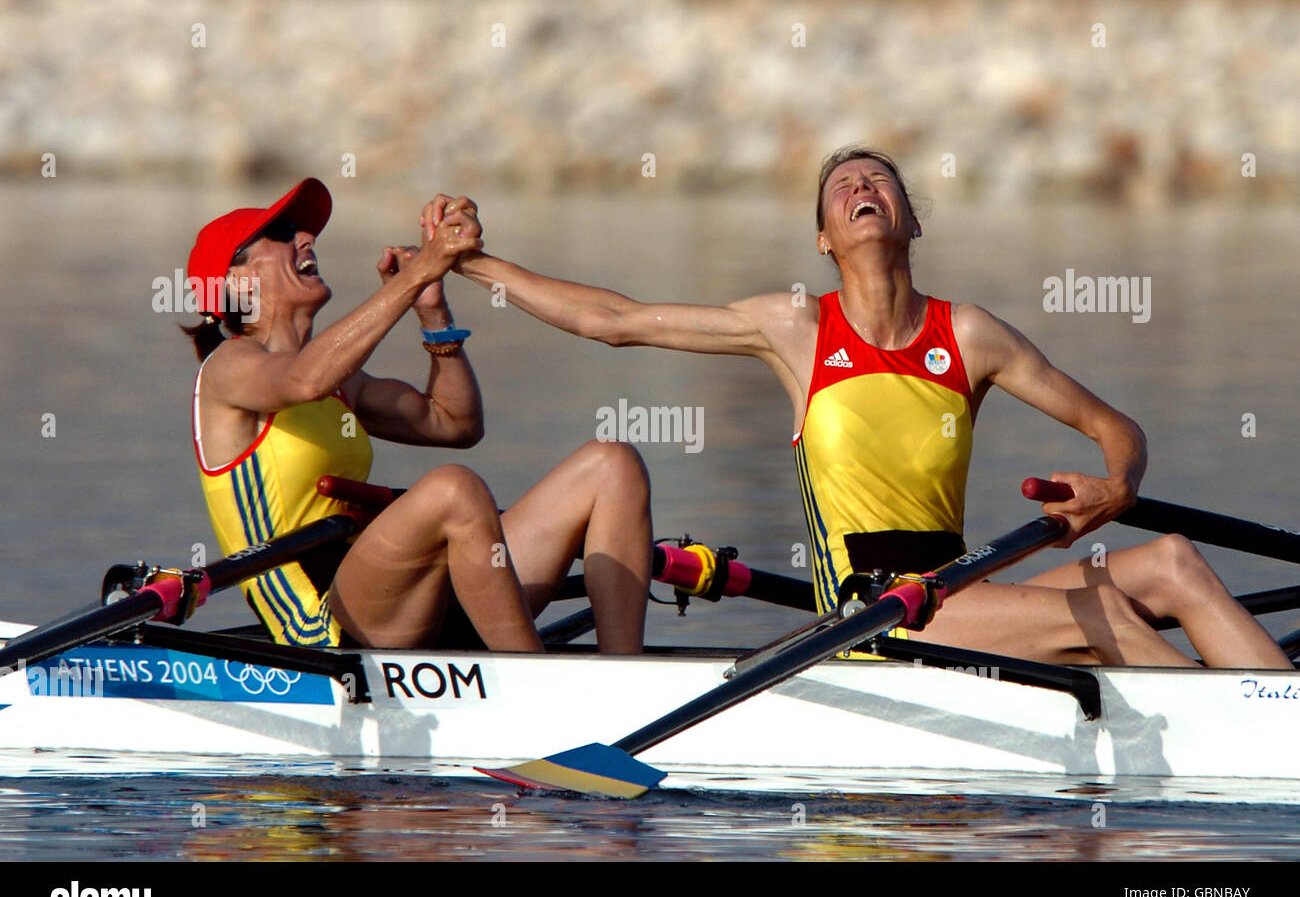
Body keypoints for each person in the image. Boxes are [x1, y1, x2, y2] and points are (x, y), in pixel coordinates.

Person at [449, 147, 1292, 669]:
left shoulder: (969, 334)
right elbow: (617, 323)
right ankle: (1236, 743)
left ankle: (1271, 718)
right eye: (842, 185)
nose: (862, 185)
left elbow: (1119, 430)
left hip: (957, 591)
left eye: (880, 180)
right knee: (1109, 611)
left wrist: (1119, 485)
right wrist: (473, 264)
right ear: (824, 238)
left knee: (1173, 560)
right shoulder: (796, 327)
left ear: (911, 220)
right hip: (870, 612)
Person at [181, 178, 651, 653]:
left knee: (611, 464)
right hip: (321, 626)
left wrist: (433, 313)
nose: (306, 239)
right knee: (453, 489)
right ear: (236, 280)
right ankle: (527, 676)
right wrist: (418, 273)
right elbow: (305, 380)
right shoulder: (228, 368)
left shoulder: (345, 383)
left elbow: (455, 423)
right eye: (282, 231)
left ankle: (622, 672)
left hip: (409, 597)